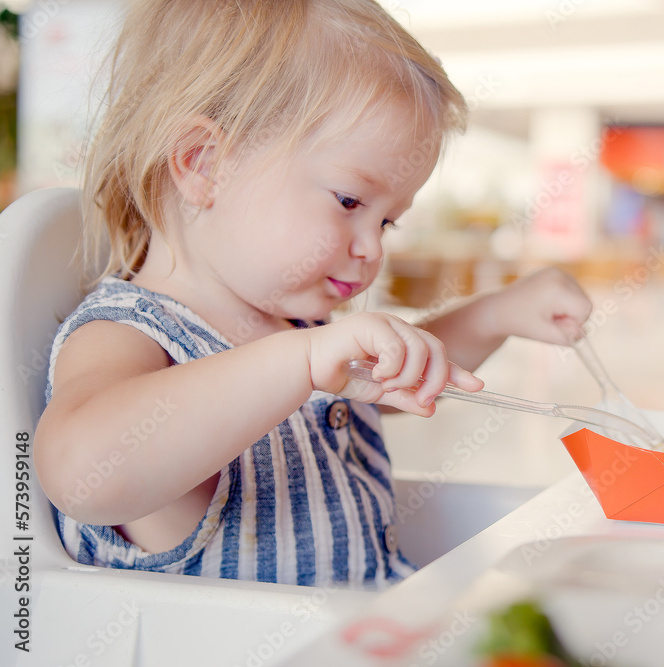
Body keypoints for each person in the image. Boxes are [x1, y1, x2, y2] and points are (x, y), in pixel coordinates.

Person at [34, 0, 592, 588]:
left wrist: (498, 312)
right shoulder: (129, 336)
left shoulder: (296, 332)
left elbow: (403, 374)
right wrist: (300, 363)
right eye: (351, 202)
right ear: (204, 164)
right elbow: (79, 472)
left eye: (387, 222)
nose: (372, 249)